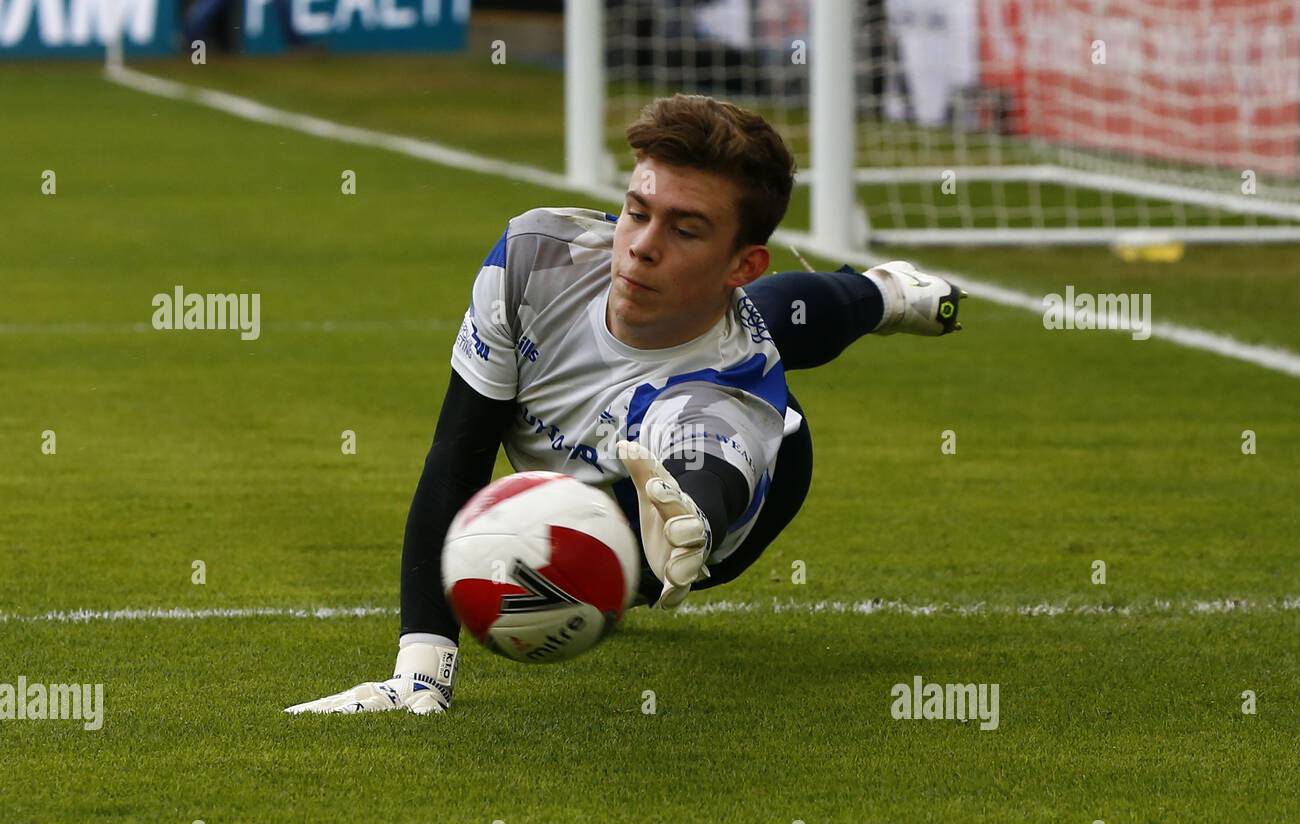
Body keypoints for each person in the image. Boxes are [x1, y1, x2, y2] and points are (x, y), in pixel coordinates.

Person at [287, 94, 965, 716]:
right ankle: (889, 293)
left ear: (742, 258)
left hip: (750, 477)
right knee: (749, 311)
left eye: (686, 229)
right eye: (638, 211)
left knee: (751, 328)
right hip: (691, 340)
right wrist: (422, 670)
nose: (641, 246)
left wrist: (689, 515)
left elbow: (708, 463)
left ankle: (873, 297)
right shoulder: (535, 257)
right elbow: (458, 450)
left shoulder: (729, 395)